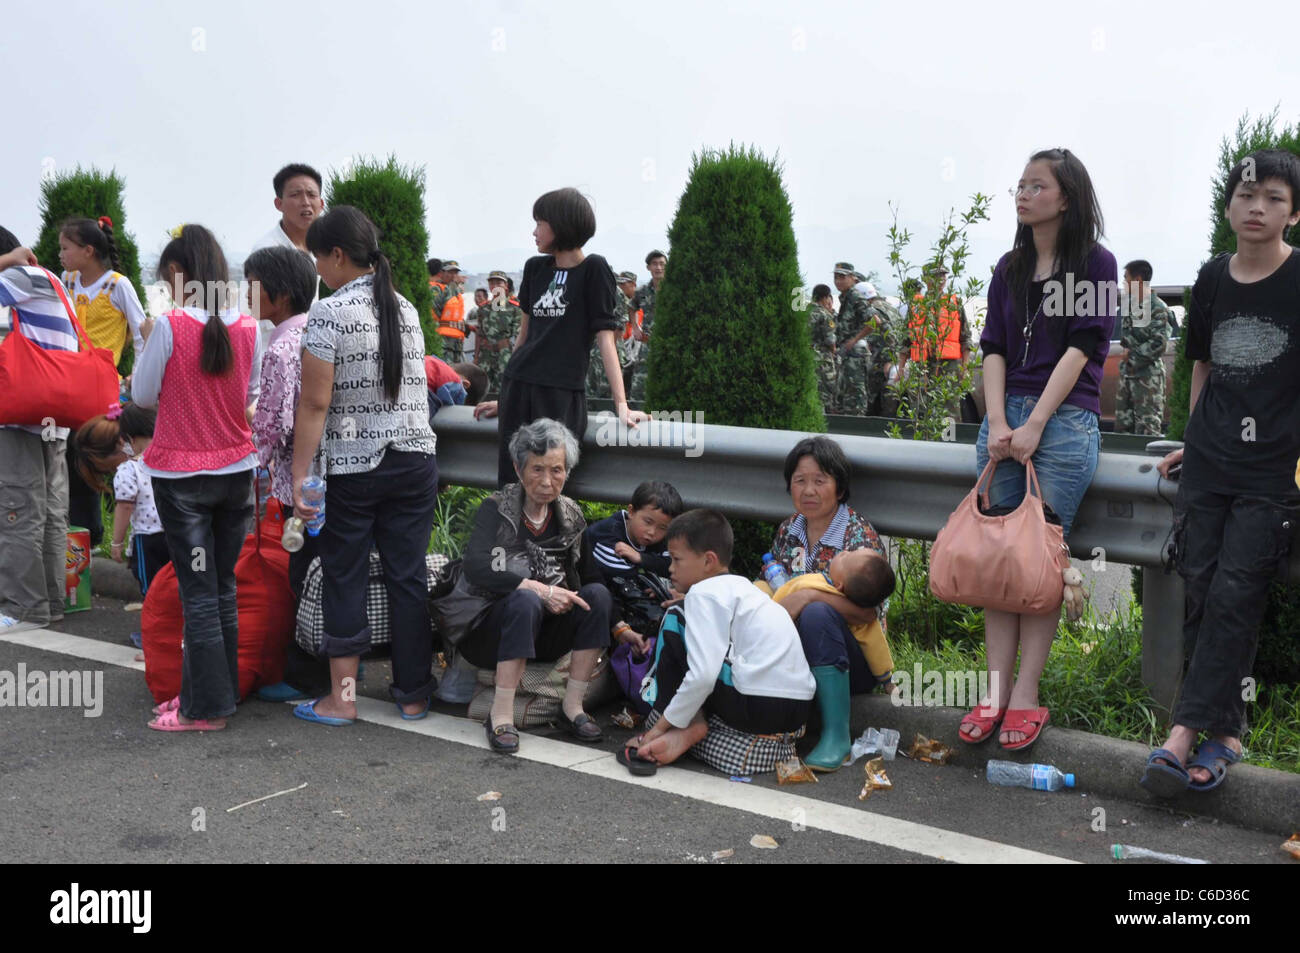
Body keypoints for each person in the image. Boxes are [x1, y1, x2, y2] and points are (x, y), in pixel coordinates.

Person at [1145, 149, 1300, 796]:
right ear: (1229, 205)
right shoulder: (1212, 277)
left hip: (1274, 469)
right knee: (1204, 588)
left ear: (1294, 211)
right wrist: (1193, 436)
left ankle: (1182, 733)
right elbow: (1201, 364)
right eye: (1246, 196)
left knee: (1238, 591)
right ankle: (1227, 734)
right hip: (1210, 458)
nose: (1257, 207)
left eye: (1273, 197)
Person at [961, 148, 1114, 751]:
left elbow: (1084, 349)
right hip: (1004, 421)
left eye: (1037, 185)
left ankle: (1026, 695)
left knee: (1038, 558)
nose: (1023, 195)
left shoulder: (1097, 264)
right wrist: (998, 421)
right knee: (997, 560)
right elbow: (992, 346)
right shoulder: (1008, 264)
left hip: (1066, 421)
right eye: (1019, 186)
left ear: (1067, 197)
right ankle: (995, 692)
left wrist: (1034, 426)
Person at [289, 206, 440, 727]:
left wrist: (300, 476)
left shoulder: (328, 312)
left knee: (345, 577)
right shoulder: (407, 308)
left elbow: (313, 404)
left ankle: (343, 698)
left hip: (356, 470)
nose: (316, 272)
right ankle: (415, 693)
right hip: (416, 461)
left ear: (336, 255)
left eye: (317, 259)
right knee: (407, 576)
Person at [131, 224, 265, 731]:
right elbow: (249, 393)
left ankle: (203, 708)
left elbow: (142, 398)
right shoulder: (249, 327)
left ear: (177, 271)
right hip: (237, 473)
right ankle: (217, 694)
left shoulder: (169, 326)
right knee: (223, 587)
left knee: (199, 595)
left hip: (181, 478)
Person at [472, 188, 647, 486]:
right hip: (519, 386)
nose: (534, 231)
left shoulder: (594, 269)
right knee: (511, 483)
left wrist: (621, 404)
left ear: (561, 223)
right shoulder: (534, 268)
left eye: (540, 223)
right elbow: (524, 338)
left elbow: (607, 340)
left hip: (561, 393)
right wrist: (504, 399)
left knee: (549, 485)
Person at [457, 419, 613, 753]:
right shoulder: (496, 509)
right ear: (517, 467)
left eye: (556, 470)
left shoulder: (570, 515)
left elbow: (591, 577)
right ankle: (500, 715)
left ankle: (573, 708)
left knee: (596, 596)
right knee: (526, 599)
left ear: (567, 471)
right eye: (537, 469)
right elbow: (477, 566)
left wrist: (623, 627)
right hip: (494, 630)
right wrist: (538, 588)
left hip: (546, 632)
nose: (547, 481)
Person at [631, 510, 816, 773]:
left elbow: (703, 675)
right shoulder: (747, 590)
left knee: (674, 618)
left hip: (756, 705)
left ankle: (684, 724)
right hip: (797, 710)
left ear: (708, 561)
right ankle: (688, 720)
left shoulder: (702, 594)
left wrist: (657, 728)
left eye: (676, 559)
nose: (670, 568)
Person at [765, 436, 891, 770]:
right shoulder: (788, 530)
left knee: (818, 612)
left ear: (839, 486)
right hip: (797, 651)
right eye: (800, 481)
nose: (808, 491)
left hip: (853, 661)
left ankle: (837, 736)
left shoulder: (858, 538)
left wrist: (810, 596)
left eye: (820, 481)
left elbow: (868, 612)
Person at [243, 245, 329, 702]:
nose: (246, 293)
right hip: (336, 473)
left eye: (252, 284)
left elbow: (273, 425)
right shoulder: (320, 331)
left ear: (277, 295)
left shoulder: (281, 346)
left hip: (297, 483)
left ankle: (303, 676)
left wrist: (247, 436)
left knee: (303, 577)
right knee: (329, 571)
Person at [0, 233, 77, 634]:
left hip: (23, 417)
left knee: (19, 508)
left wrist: (7, 260)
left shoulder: (21, 277)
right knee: (47, 510)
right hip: (52, 414)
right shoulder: (51, 280)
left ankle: (25, 609)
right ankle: (50, 601)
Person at [57, 217, 151, 547]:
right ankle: (72, 533)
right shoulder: (66, 281)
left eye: (66, 248)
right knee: (66, 453)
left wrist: (138, 379)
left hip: (99, 384)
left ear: (88, 250)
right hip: (66, 379)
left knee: (90, 455)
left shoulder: (118, 285)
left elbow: (142, 333)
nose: (61, 254)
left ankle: (92, 534)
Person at [73, 403, 166, 645]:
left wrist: (116, 542)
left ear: (122, 443)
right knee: (176, 585)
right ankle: (177, 633)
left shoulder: (128, 469)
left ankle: (153, 639)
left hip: (148, 539)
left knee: (151, 591)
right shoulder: (166, 457)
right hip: (176, 532)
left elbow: (125, 507)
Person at [760, 547, 895, 696]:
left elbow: (875, 641)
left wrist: (887, 680)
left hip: (843, 666)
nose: (844, 552)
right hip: (781, 623)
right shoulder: (825, 581)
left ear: (839, 585)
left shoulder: (856, 611)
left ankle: (832, 709)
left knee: (816, 613)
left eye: (845, 558)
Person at [585, 480, 684, 653]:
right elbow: (619, 580)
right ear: (631, 511)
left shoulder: (661, 538)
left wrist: (641, 559)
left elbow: (675, 565)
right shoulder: (607, 535)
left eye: (662, 528)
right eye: (647, 522)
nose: (652, 532)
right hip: (599, 599)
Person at [901, 263, 972, 421]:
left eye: (943, 276)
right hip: (921, 367)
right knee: (920, 409)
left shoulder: (955, 303)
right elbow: (906, 340)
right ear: (926, 279)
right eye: (936, 275)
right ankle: (921, 444)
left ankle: (949, 443)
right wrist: (900, 369)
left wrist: (965, 369)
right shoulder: (916, 306)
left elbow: (965, 338)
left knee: (949, 410)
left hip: (948, 366)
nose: (941, 279)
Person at [1115, 259, 1172, 436]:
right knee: (1123, 431)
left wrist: (1131, 356)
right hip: (1128, 376)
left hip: (1148, 380)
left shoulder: (1158, 308)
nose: (1123, 283)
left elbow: (1159, 343)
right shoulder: (1129, 305)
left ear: (1138, 280)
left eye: (1126, 278)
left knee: (1147, 432)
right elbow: (1126, 338)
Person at [251, 164, 325, 256]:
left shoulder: (331, 246)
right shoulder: (267, 251)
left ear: (321, 204)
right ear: (279, 204)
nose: (306, 202)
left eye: (311, 195)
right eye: (295, 194)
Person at [587, 270, 636, 399]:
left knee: (607, 385)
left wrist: (611, 349)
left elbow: (620, 326)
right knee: (593, 383)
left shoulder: (615, 292)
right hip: (595, 347)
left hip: (610, 346)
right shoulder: (592, 291)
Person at [625, 250, 666, 402]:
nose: (659, 268)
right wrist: (635, 327)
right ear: (648, 267)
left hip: (670, 344)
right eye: (654, 264)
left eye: (662, 264)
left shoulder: (673, 289)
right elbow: (631, 306)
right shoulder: (642, 291)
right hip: (648, 344)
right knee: (639, 387)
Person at [832, 262, 872, 415]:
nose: (838, 281)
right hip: (847, 355)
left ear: (852, 278)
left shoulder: (855, 296)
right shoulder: (845, 298)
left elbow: (874, 321)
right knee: (844, 396)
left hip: (856, 355)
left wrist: (854, 340)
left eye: (842, 277)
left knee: (855, 398)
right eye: (836, 277)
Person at [475, 270, 524, 396]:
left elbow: (518, 335)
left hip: (505, 355)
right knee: (482, 387)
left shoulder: (515, 308)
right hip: (485, 355)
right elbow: (479, 334)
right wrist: (476, 357)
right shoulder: (483, 308)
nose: (495, 285)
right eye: (492, 283)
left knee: (503, 389)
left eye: (499, 282)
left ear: (506, 286)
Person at [808, 284, 839, 411]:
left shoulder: (805, 311)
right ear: (826, 297)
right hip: (822, 358)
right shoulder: (824, 314)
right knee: (827, 391)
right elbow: (830, 340)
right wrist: (834, 351)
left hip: (807, 355)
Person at [433, 259, 467, 362]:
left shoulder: (456, 291)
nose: (453, 276)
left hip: (457, 343)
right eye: (450, 272)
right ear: (441, 273)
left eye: (455, 273)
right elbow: (436, 309)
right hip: (443, 342)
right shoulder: (436, 289)